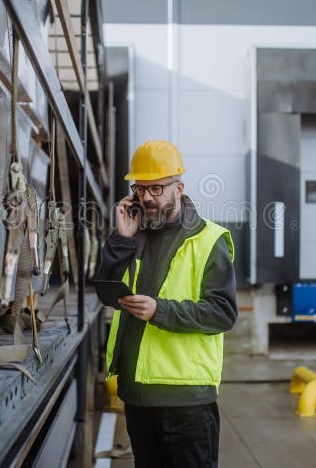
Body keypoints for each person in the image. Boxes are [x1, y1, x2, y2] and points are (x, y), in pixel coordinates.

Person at [97, 139, 237, 467]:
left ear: (179, 187)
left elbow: (223, 312)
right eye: (139, 188)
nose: (146, 197)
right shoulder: (133, 236)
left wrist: (160, 310)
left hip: (186, 400)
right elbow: (106, 292)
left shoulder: (208, 240)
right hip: (136, 396)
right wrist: (120, 238)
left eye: (156, 188)